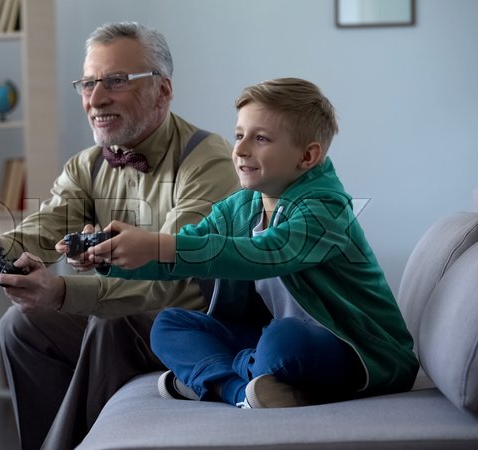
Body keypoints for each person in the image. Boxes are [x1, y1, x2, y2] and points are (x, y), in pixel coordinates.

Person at [0, 22, 239, 449]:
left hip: (193, 324)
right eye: (88, 83)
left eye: (116, 81)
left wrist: (64, 292)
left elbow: (174, 276)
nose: (96, 98)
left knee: (111, 324)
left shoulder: (207, 161)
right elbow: (45, 226)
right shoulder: (87, 165)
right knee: (22, 324)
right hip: (127, 315)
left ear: (163, 90)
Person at [87, 77, 419, 408]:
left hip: (354, 347)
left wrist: (159, 244)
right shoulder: (241, 205)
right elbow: (185, 250)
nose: (241, 149)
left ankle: (214, 376)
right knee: (170, 325)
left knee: (283, 340)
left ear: (307, 156)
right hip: (267, 337)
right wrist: (108, 256)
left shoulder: (327, 207)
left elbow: (270, 252)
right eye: (239, 135)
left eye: (260, 138)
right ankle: (240, 390)